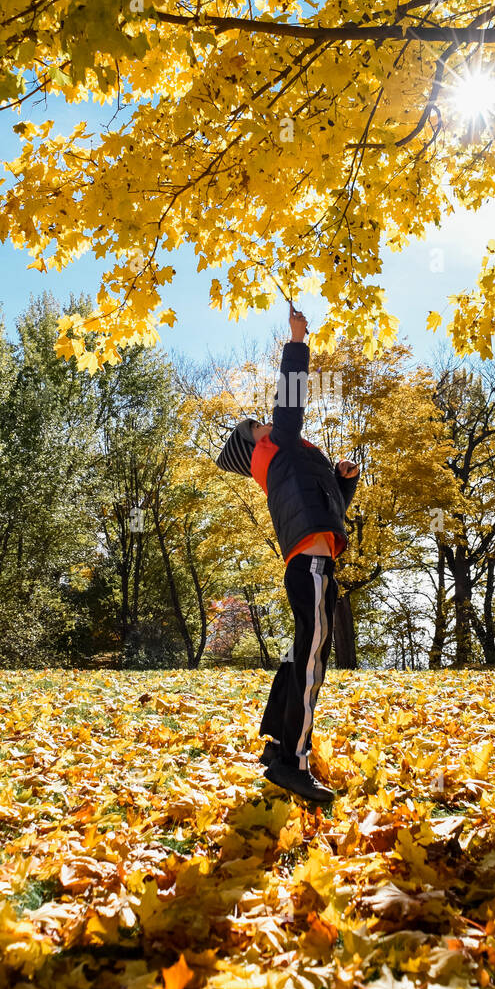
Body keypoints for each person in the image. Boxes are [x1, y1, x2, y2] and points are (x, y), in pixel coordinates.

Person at [215, 303, 360, 805]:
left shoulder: (292, 463)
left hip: (312, 560)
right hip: (311, 564)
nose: (262, 424)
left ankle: (279, 744)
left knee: (304, 650)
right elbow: (290, 403)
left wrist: (346, 483)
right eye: (255, 427)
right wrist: (297, 342)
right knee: (313, 657)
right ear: (253, 444)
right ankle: (292, 763)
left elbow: (331, 511)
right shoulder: (278, 447)